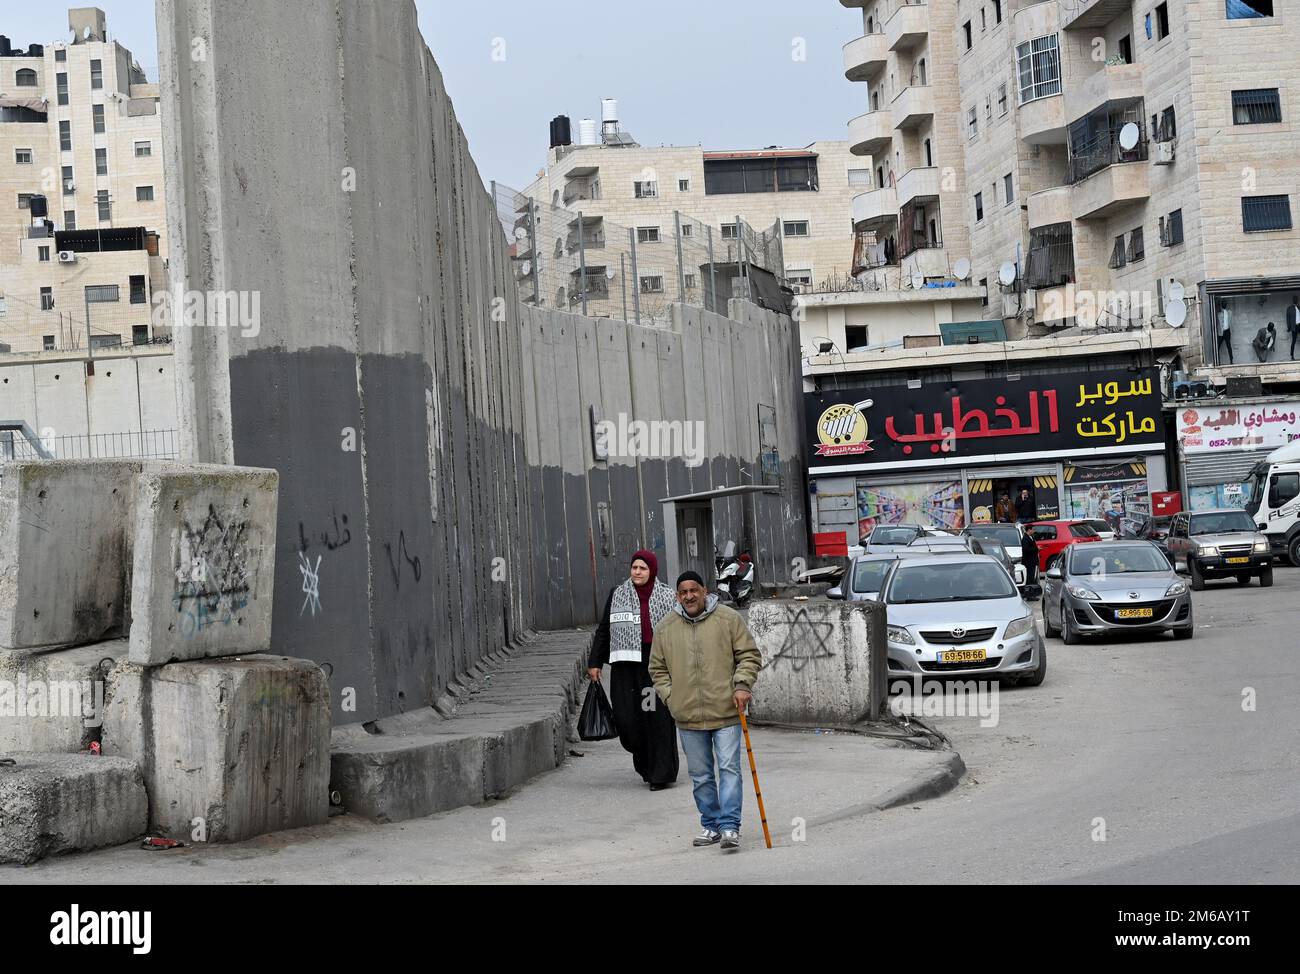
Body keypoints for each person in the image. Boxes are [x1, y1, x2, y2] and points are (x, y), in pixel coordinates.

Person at [649, 571, 761, 851]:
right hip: (687, 715)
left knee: (729, 769)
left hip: (726, 711)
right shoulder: (665, 628)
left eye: (693, 590)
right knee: (701, 776)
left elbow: (749, 655)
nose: (689, 596)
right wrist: (671, 698)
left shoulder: (728, 619)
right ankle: (710, 824)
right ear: (678, 596)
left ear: (704, 590)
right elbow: (657, 669)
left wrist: (742, 685)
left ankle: (729, 827)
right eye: (683, 592)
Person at [587, 550, 679, 790]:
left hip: (655, 664)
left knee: (655, 716)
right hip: (625, 665)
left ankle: (660, 773)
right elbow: (604, 629)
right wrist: (595, 662)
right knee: (628, 719)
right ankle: (645, 763)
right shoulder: (617, 594)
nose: (637, 572)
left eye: (643, 568)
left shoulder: (668, 596)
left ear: (652, 571)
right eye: (634, 567)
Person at [1218, 300, 1233, 364]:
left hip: (1226, 331)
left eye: (1225, 304)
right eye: (1223, 304)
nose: (1225, 305)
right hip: (1222, 332)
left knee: (1228, 346)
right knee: (1218, 346)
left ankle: (1231, 360)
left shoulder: (1229, 312)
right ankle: (1218, 360)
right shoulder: (1219, 313)